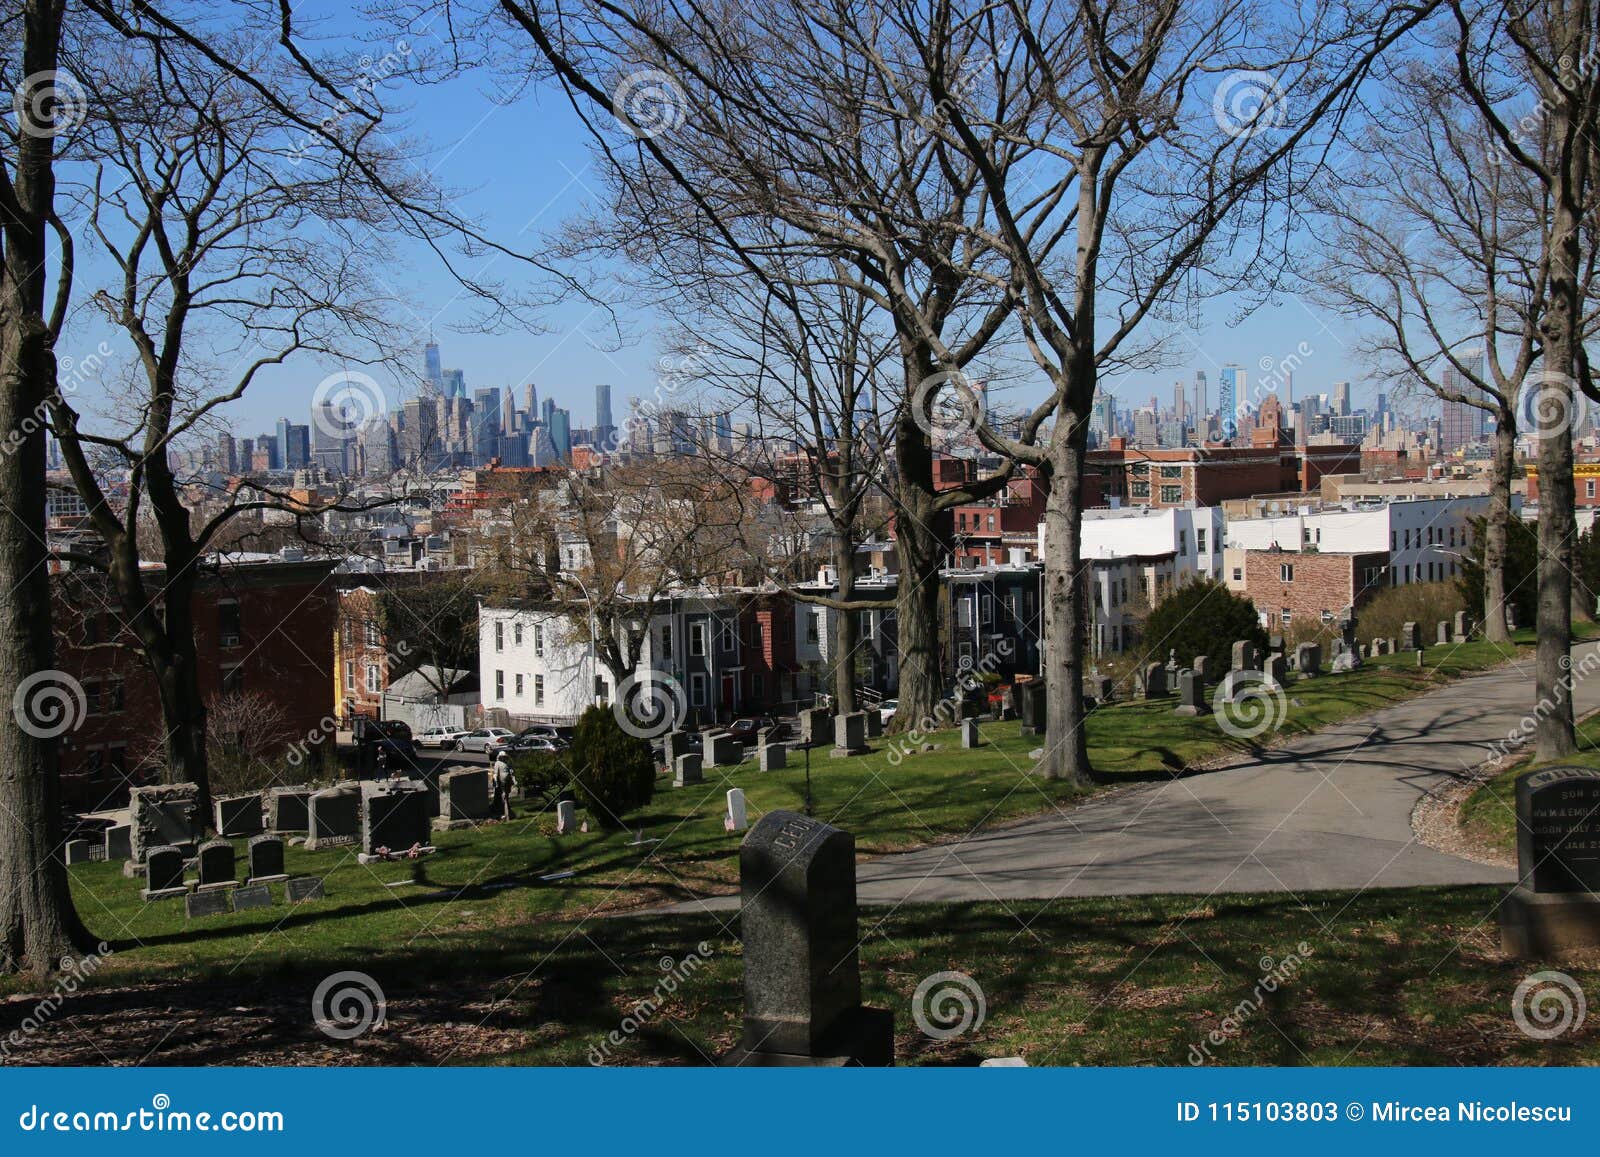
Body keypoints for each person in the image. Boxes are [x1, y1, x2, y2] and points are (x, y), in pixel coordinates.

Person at [491, 752, 515, 820]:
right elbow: (495, 773)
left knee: (506, 795)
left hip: (508, 781)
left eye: (504, 757)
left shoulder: (507, 763)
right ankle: (505, 812)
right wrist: (495, 780)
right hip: (501, 782)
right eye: (502, 757)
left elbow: (511, 770)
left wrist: (512, 775)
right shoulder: (497, 763)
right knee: (503, 796)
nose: (503, 758)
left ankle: (507, 810)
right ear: (500, 757)